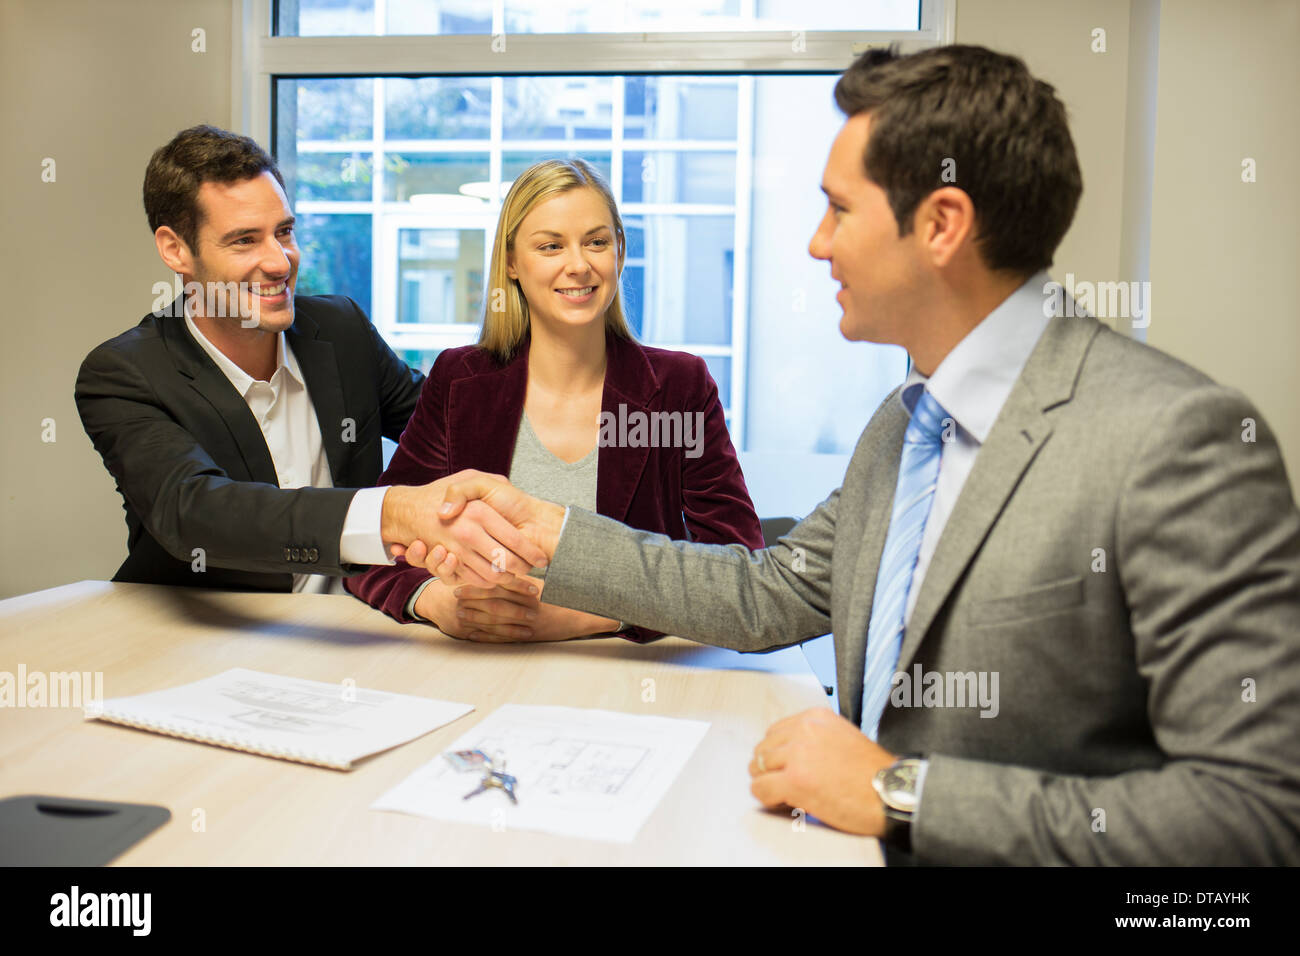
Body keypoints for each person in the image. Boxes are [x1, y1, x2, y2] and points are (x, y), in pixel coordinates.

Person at [414, 46, 1300, 864]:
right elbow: (764, 594)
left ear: (943, 223)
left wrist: (898, 792)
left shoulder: (1177, 440)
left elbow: (1256, 812)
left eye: (839, 209)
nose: (816, 241)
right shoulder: (905, 425)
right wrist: (551, 533)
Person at [75, 125, 543, 594]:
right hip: (202, 643)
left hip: (349, 633)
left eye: (284, 232)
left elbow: (459, 433)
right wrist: (393, 512)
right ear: (175, 249)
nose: (280, 262)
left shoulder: (342, 331)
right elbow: (194, 513)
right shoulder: (124, 373)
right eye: (243, 241)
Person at [347, 159, 763, 641]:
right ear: (511, 262)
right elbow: (373, 545)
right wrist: (438, 602)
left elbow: (739, 570)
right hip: (479, 670)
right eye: (550, 246)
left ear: (620, 252)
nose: (579, 264)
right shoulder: (460, 379)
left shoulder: (679, 387)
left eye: (597, 241)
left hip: (628, 677)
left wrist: (580, 616)